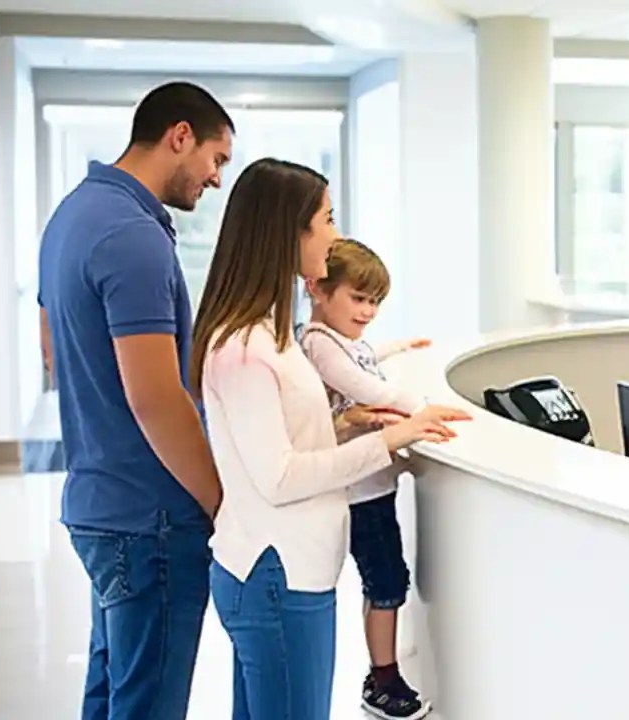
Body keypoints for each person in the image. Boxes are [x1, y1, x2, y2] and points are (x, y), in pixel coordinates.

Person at [190, 157, 470, 720]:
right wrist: (390, 441)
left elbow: (285, 439)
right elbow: (279, 475)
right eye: (327, 218)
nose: (335, 234)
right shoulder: (246, 347)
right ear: (288, 232)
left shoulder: (271, 333)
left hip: (289, 571)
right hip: (275, 573)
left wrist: (346, 425)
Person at [36, 81, 234, 720]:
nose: (216, 179)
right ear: (180, 135)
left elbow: (52, 352)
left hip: (101, 502)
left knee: (115, 691)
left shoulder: (73, 214)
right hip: (150, 519)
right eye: (216, 159)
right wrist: (218, 499)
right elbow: (153, 396)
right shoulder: (133, 236)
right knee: (147, 705)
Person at [298, 238, 432, 719]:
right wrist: (421, 409)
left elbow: (368, 358)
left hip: (372, 484)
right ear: (318, 290)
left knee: (385, 580)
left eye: (375, 301)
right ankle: (383, 679)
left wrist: (402, 347)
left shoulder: (342, 341)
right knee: (386, 582)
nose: (369, 311)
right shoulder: (317, 342)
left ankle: (382, 673)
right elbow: (363, 384)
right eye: (359, 298)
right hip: (358, 490)